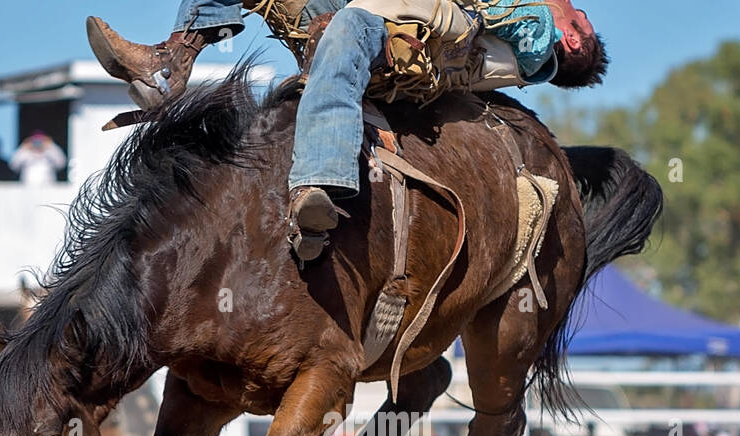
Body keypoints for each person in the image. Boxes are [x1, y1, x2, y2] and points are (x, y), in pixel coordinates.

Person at [85, 1, 605, 260]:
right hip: (386, 14)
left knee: (346, 30)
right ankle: (168, 65)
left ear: (574, 41)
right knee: (345, 22)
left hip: (407, 38)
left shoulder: (537, 30)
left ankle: (320, 184)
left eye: (577, 15)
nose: (570, 4)